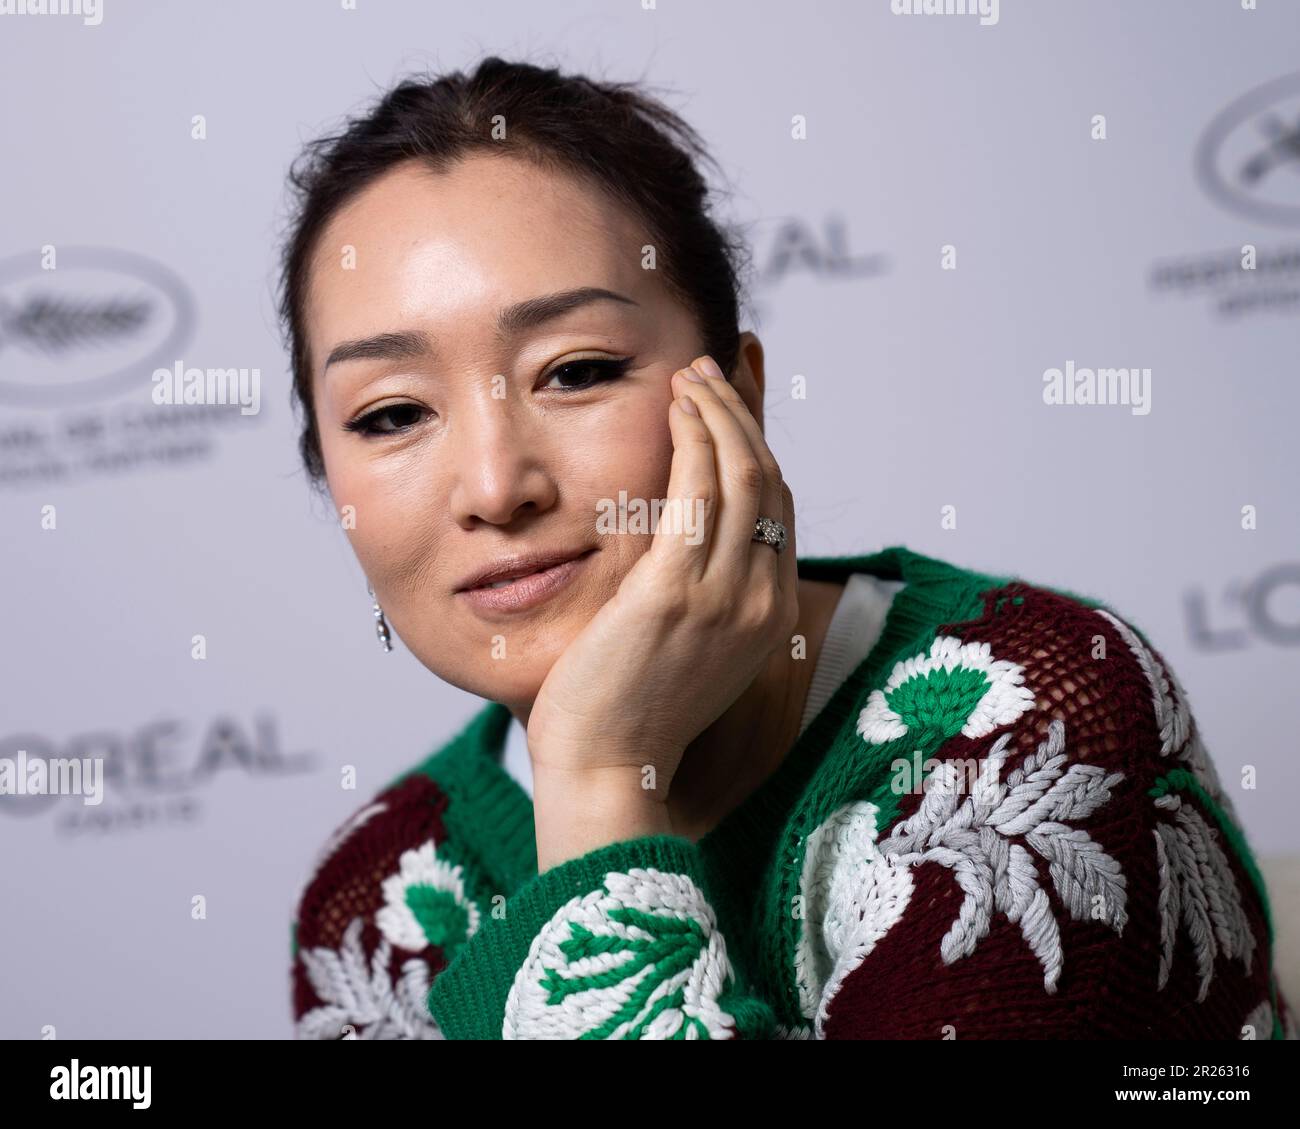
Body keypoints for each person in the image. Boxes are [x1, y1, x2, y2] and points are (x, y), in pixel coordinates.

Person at [278, 56, 1294, 1040]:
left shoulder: (1028, 720)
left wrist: (598, 776)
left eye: (576, 370)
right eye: (391, 415)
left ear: (741, 395)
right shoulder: (382, 904)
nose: (497, 487)